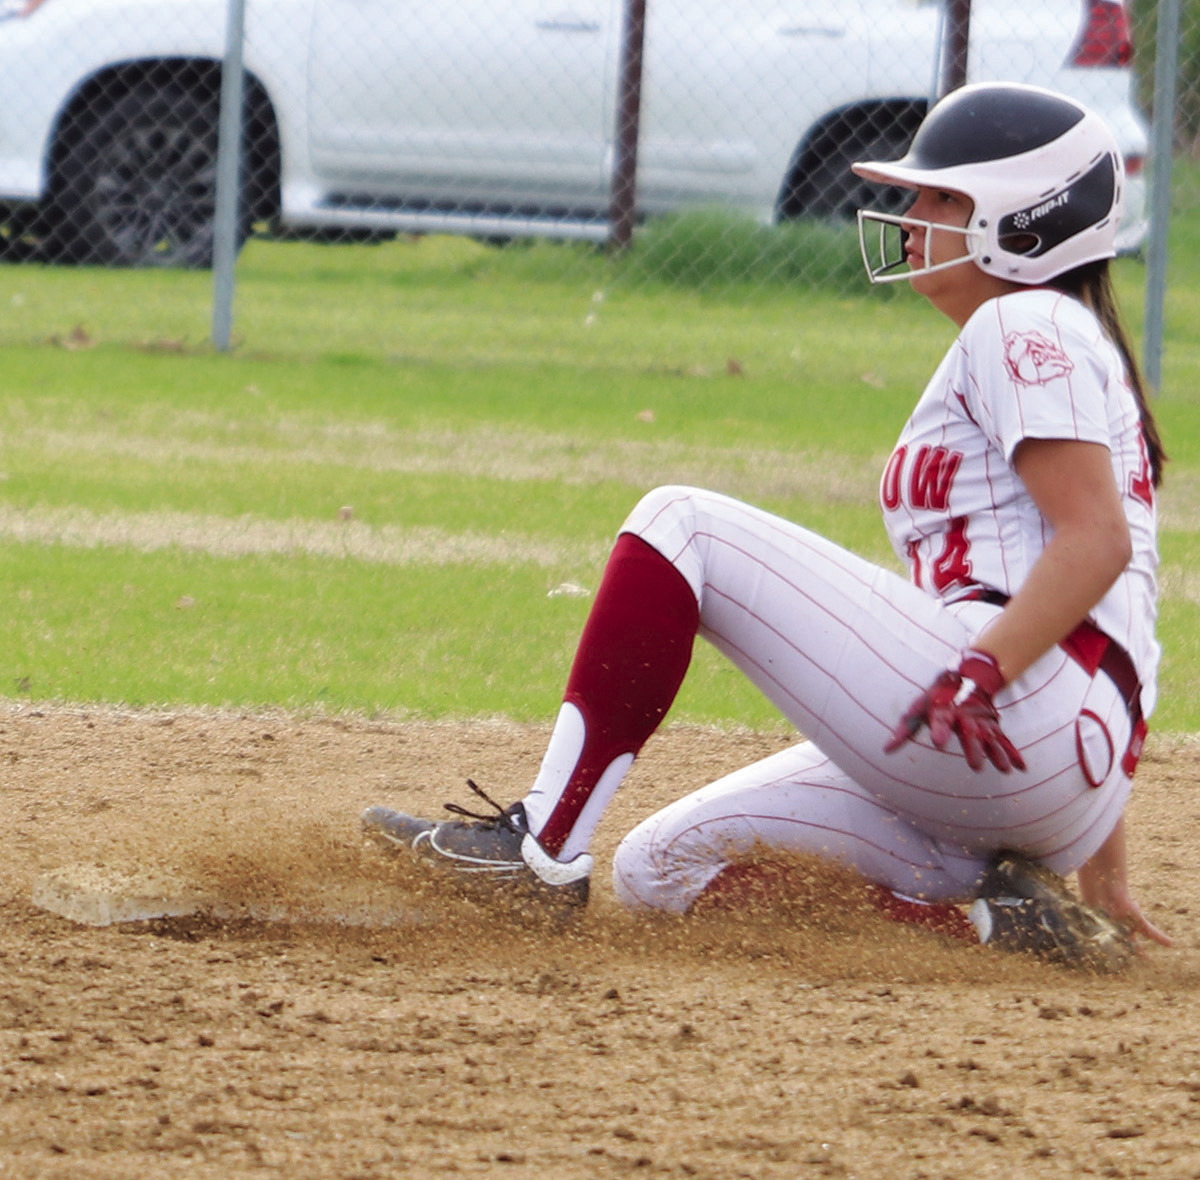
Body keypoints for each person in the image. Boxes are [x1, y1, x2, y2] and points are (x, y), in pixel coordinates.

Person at [362, 82, 1172, 970]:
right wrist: (1100, 865)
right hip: (1040, 765)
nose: (909, 213)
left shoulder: (1022, 320)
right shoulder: (1060, 336)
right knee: (660, 869)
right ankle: (999, 929)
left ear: (1027, 222)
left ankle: (538, 852)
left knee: (682, 526)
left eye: (943, 196)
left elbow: (1097, 543)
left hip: (1005, 712)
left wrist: (981, 673)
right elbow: (1106, 625)